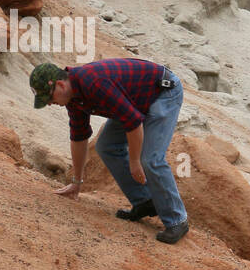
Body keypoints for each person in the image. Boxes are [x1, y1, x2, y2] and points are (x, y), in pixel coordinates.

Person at [29, 59, 189, 243]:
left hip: (163, 92)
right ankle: (145, 202)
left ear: (60, 84)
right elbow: (79, 138)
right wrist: (76, 182)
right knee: (106, 146)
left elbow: (134, 123)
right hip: (135, 100)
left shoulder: (94, 82)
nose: (49, 104)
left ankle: (178, 220)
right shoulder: (72, 98)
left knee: (150, 159)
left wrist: (135, 162)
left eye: (49, 98)